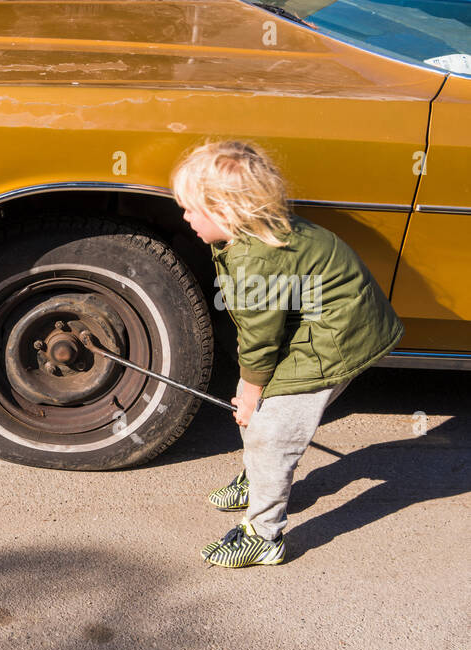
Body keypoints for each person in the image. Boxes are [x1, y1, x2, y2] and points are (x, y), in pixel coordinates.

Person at [170, 140, 404, 567]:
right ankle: (261, 476)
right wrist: (249, 390)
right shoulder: (245, 237)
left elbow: (260, 337)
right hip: (318, 323)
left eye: (190, 208)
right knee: (255, 412)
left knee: (271, 430)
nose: (183, 215)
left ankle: (264, 535)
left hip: (335, 339)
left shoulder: (255, 258)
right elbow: (257, 323)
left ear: (227, 211)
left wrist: (252, 390)